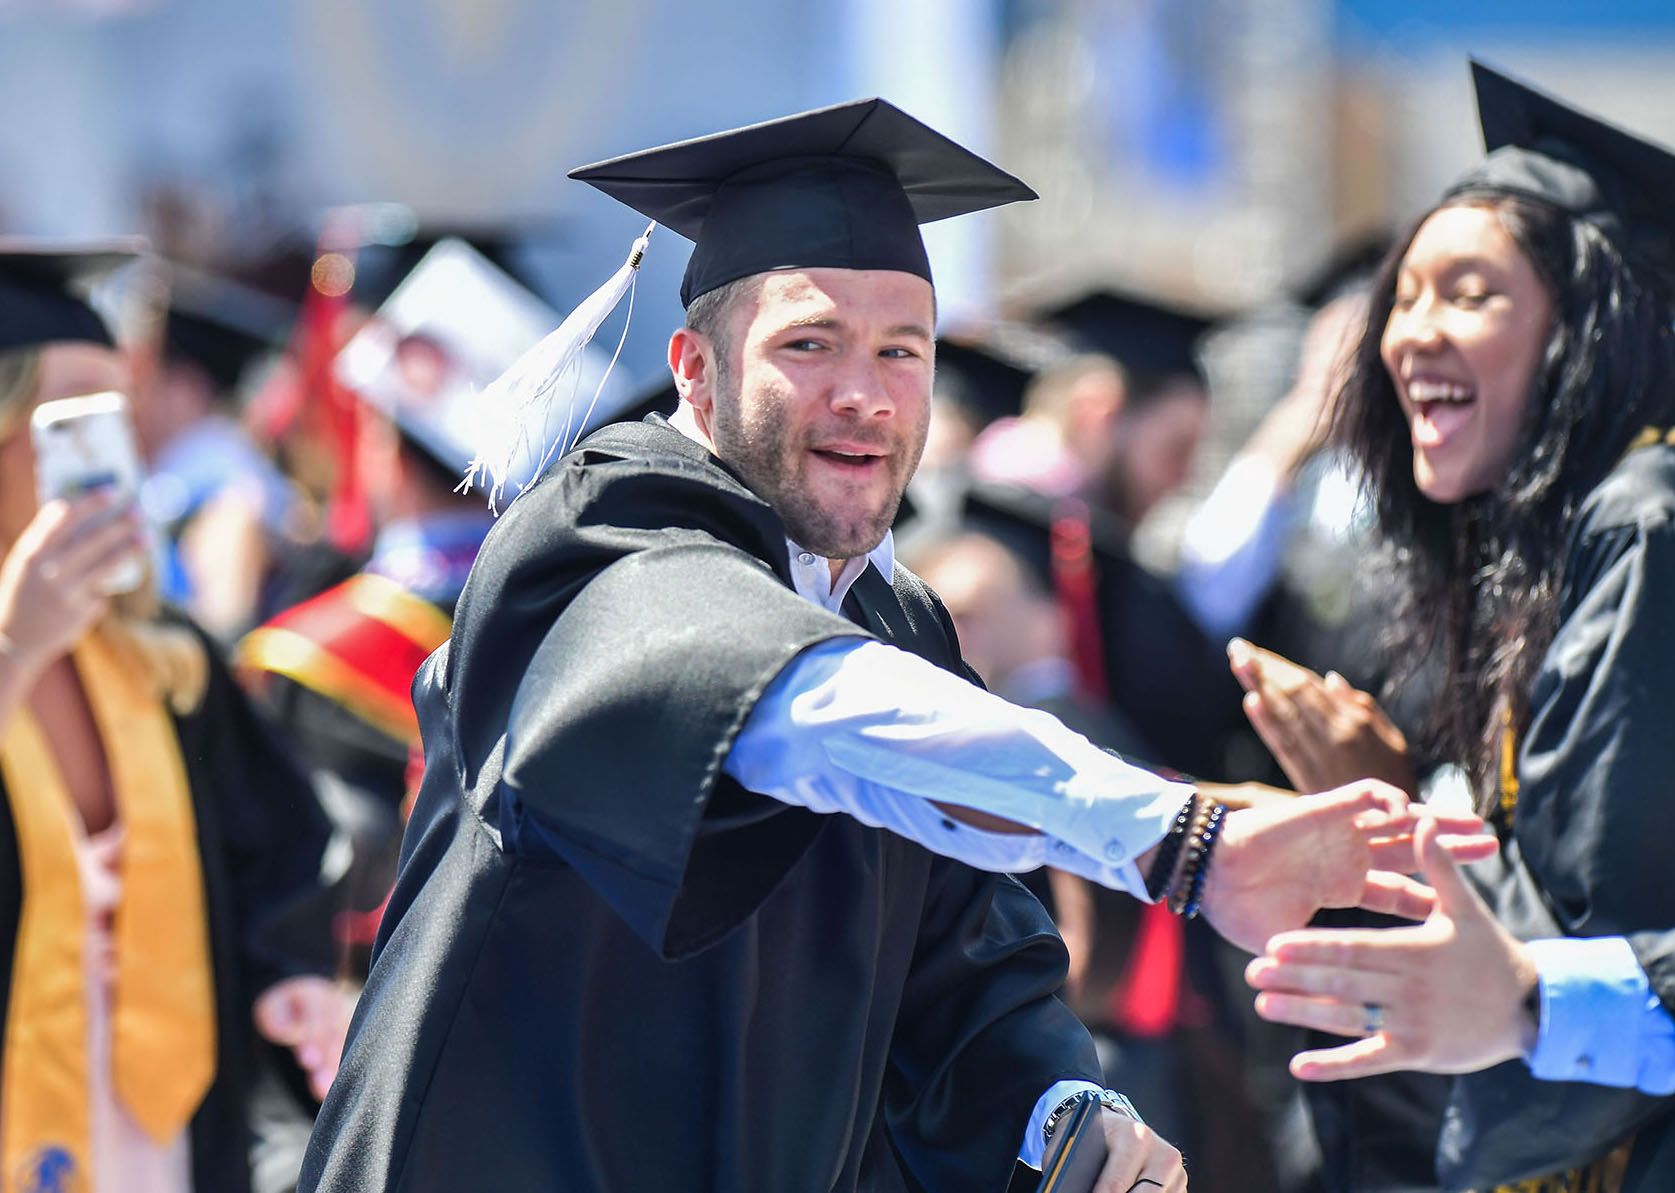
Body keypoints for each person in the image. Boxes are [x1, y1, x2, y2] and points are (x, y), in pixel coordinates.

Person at [298, 99, 1490, 1193]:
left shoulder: (894, 615)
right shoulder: (600, 538)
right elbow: (792, 703)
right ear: (695, 371)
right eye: (810, 345)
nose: (865, 393)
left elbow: (963, 956)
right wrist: (1177, 839)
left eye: (902, 350)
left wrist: (1062, 1112)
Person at [1232, 62, 1675, 1191]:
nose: (1407, 335)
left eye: (1468, 293)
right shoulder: (1548, 539)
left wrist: (1404, 818)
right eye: (1404, 295)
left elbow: (1594, 936)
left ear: (1587, 325)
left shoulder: (1643, 521)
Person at [0, 240, 343, 1193]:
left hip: (160, 1132)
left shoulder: (160, 652)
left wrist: (288, 979)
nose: (109, 458)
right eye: (70, 423)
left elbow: (268, 857)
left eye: (121, 418)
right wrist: (15, 650)